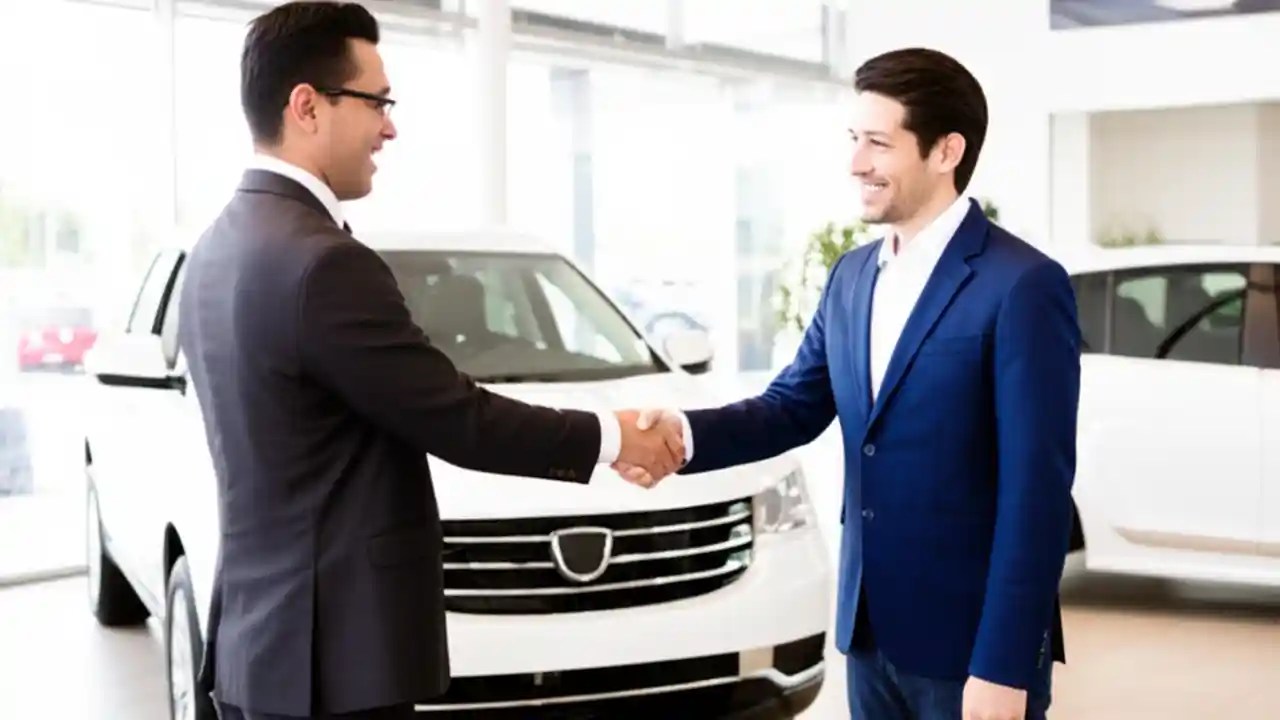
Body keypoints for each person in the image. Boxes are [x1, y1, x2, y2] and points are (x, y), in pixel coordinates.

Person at [177, 3, 683, 719]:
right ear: (307, 106)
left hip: (260, 652)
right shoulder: (323, 264)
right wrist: (616, 436)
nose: (390, 126)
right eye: (378, 102)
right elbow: (456, 418)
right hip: (334, 665)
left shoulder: (215, 249)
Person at [616, 47, 1081, 720]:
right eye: (853, 139)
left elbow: (1036, 494)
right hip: (870, 633)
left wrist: (1004, 663)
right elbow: (790, 408)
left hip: (970, 649)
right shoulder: (852, 276)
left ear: (946, 151)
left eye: (877, 143)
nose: (855, 163)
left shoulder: (1023, 286)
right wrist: (682, 435)